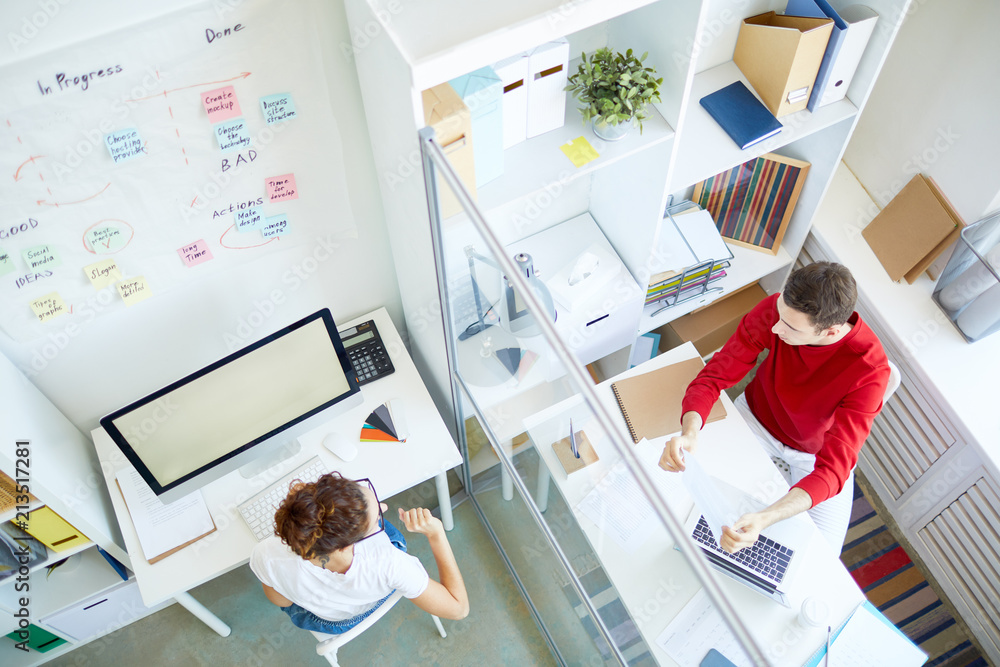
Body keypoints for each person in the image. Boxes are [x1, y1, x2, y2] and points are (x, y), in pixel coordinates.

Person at [658, 262, 889, 555]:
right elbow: (713, 377)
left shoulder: (869, 370)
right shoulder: (777, 311)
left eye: (790, 327)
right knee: (688, 499)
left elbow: (833, 470)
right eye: (779, 314)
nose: (776, 327)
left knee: (820, 557)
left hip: (812, 454)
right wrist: (689, 431)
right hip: (755, 420)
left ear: (830, 333)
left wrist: (765, 518)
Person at [249, 472, 469, 634]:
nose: (383, 507)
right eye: (376, 522)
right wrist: (437, 534)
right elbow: (459, 609)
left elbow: (283, 601)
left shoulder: (266, 553)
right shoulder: (390, 563)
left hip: (331, 620)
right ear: (347, 544)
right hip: (375, 594)